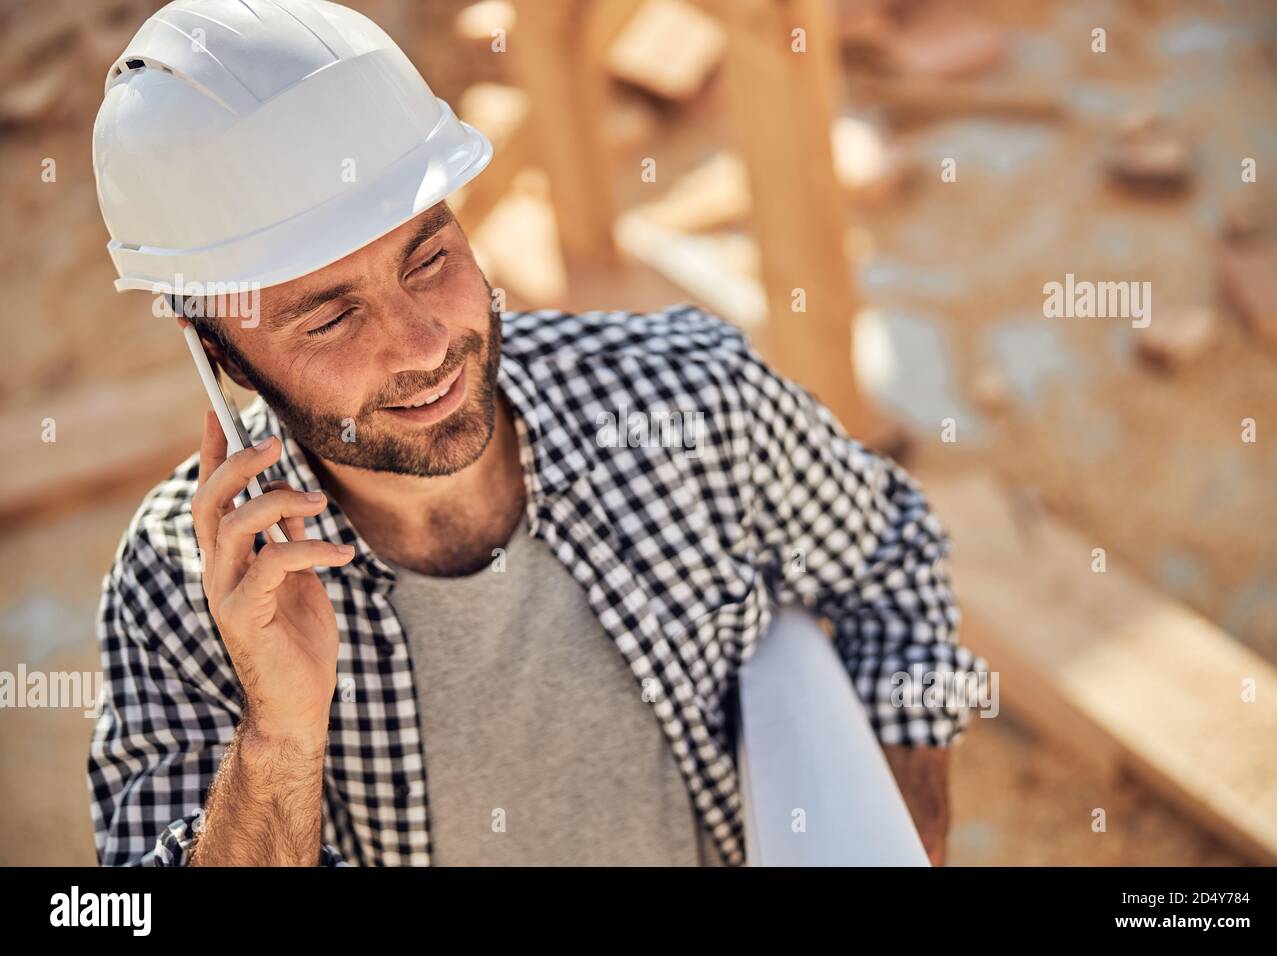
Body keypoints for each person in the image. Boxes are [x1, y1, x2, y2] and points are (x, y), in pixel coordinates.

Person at [88, 0, 987, 867]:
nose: (427, 345)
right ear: (225, 358)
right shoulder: (186, 592)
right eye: (331, 321)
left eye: (430, 259)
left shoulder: (689, 400)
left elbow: (889, 560)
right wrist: (279, 739)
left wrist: (904, 831)